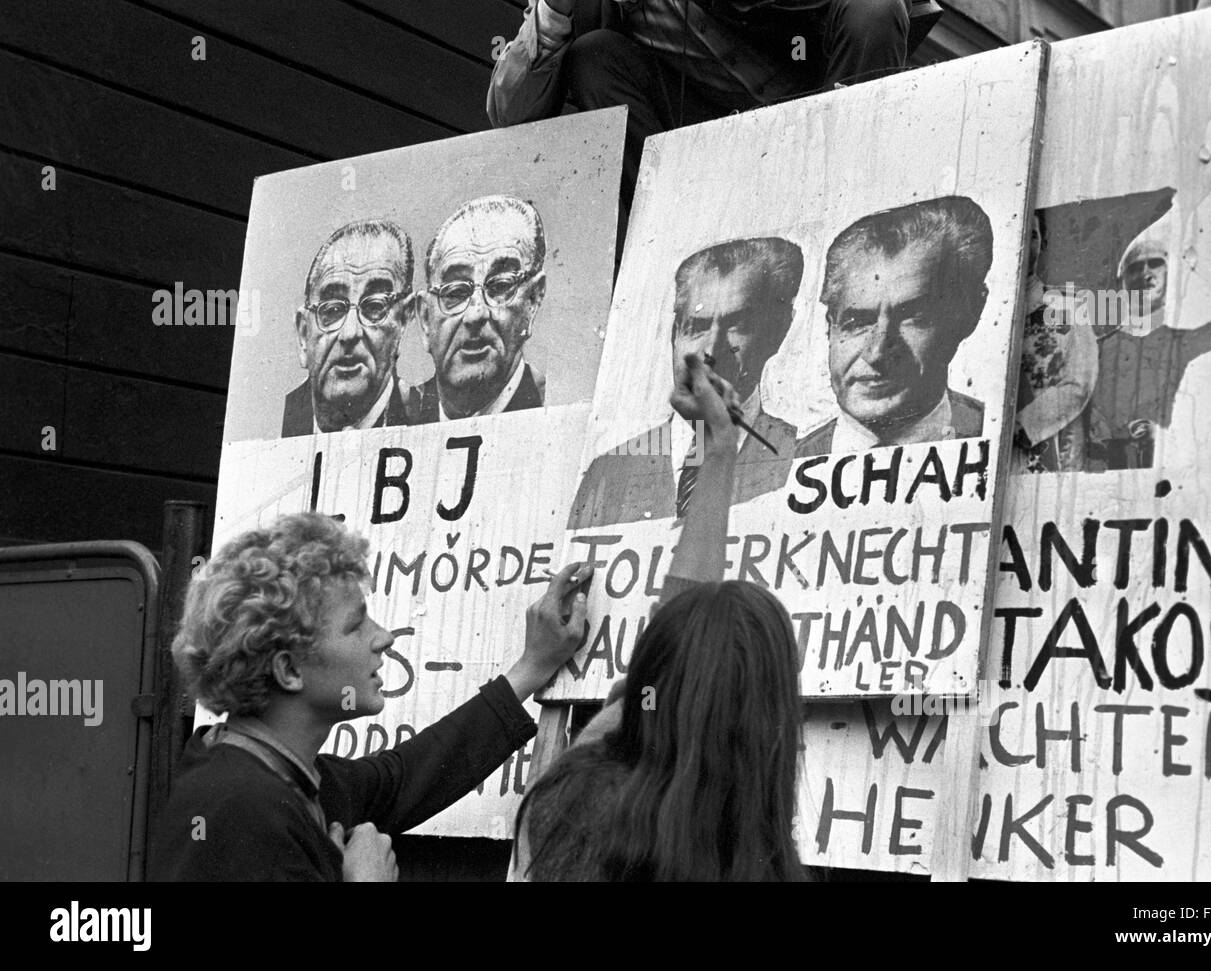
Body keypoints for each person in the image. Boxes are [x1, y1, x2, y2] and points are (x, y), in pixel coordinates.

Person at [151, 512, 592, 881]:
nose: (383, 637)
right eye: (356, 625)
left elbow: (402, 778)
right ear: (288, 670)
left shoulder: (277, 773)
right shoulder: (242, 813)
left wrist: (531, 668)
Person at [510, 354, 807, 881]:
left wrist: (717, 452)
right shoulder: (758, 854)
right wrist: (718, 452)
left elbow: (667, 671)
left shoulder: (575, 811)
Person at [487, 1, 915, 232]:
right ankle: (660, 242)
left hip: (811, 140)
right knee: (593, 56)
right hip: (689, 161)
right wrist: (555, 13)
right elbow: (509, 113)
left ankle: (850, 219)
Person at [567, 237, 802, 529]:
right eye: (698, 326)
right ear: (674, 334)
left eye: (738, 325)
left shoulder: (799, 457)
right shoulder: (609, 472)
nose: (711, 351)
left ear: (778, 331)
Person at [796, 195, 992, 456]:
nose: (876, 353)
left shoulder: (1001, 433)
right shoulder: (778, 467)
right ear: (829, 327)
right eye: (857, 323)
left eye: (914, 317)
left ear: (968, 315)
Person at [1087, 212, 1211, 471]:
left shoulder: (1177, 343)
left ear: (1168, 275)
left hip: (1164, 465)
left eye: (1154, 264)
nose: (1145, 273)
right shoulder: (1097, 347)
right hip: (1102, 468)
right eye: (1135, 267)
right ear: (1123, 281)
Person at [283, 221, 422, 437]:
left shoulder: (424, 420)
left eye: (375, 307)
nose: (350, 333)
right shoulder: (277, 424)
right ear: (303, 335)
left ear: (403, 321)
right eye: (332, 309)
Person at [415, 196, 548, 422]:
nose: (475, 314)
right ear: (426, 319)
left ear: (532, 301)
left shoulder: (552, 411)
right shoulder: (400, 416)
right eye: (455, 292)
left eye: (501, 286)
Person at [1013, 209, 1098, 473]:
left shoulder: (1067, 307)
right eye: (1019, 235)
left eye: (1034, 236)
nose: (1026, 245)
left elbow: (1079, 381)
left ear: (1044, 244)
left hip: (1042, 454)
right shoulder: (981, 312)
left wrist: (1023, 426)